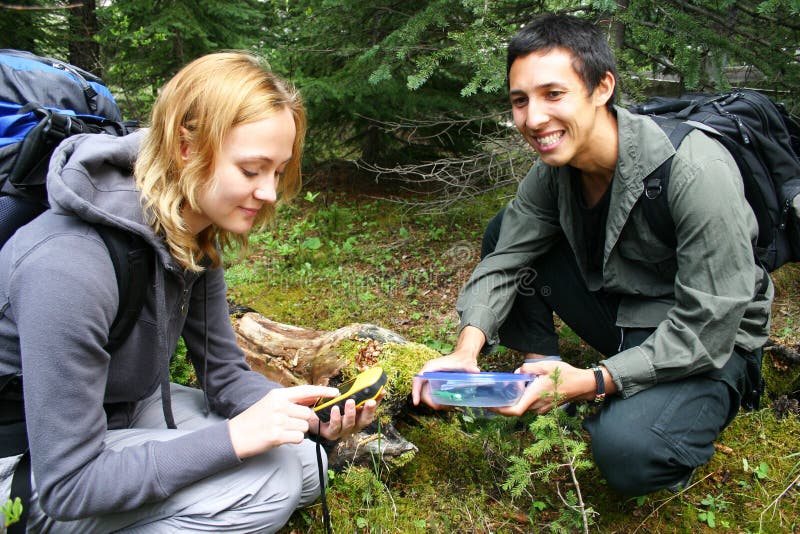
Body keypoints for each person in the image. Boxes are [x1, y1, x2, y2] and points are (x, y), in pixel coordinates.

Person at [0, 52, 378, 532]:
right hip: (27, 461)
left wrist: (305, 413)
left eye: (278, 172)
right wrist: (235, 439)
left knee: (306, 463)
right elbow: (69, 482)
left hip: (119, 408)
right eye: (252, 169)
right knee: (267, 488)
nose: (268, 193)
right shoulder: (68, 262)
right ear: (185, 148)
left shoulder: (190, 233)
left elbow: (224, 377)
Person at [412, 13, 773, 496]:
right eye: (520, 101)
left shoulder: (695, 169)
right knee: (506, 231)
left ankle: (689, 406)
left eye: (552, 94)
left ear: (602, 87)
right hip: (625, 310)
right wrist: (465, 350)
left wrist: (596, 380)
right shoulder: (554, 173)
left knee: (629, 454)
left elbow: (708, 327)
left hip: (710, 340)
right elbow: (505, 258)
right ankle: (540, 378)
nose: (533, 118)